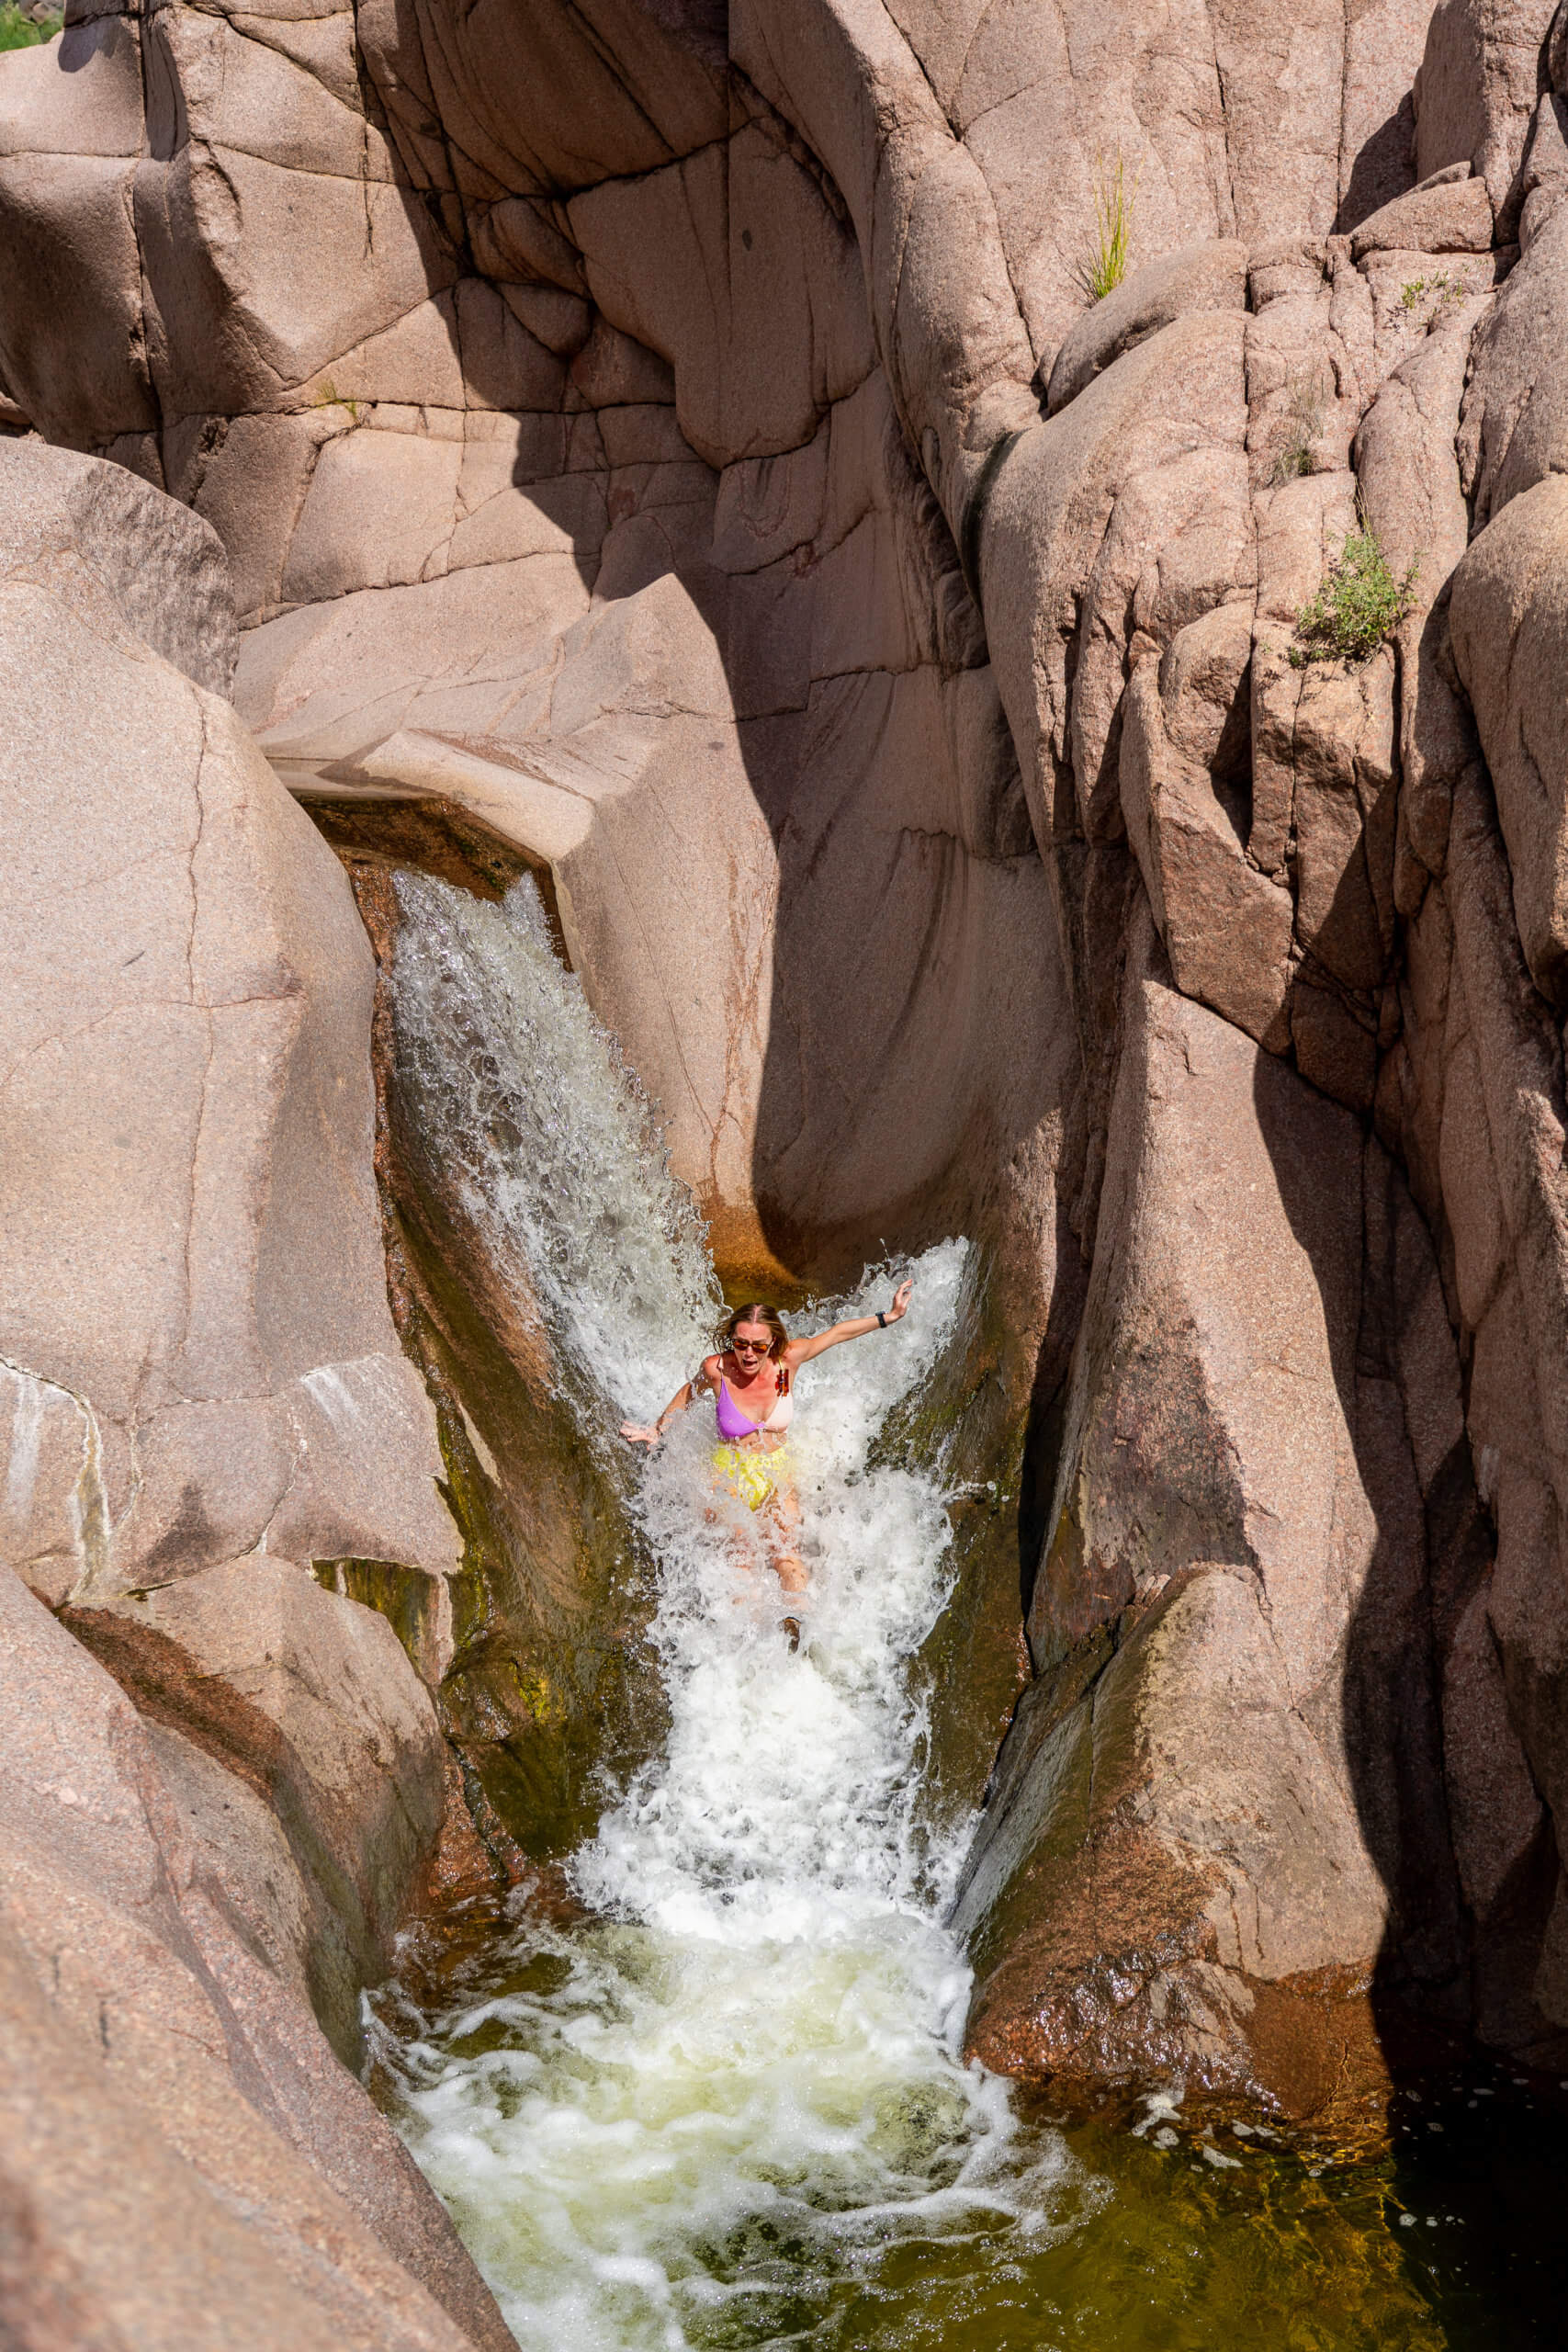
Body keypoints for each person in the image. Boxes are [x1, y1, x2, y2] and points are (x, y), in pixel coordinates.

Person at [620, 1282, 915, 1644]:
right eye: (741, 1343)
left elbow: (836, 1334)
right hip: (728, 1471)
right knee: (742, 1555)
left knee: (785, 1554)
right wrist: (659, 1429)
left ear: (772, 1343)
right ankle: (750, 1640)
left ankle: (795, 1625)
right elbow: (687, 1393)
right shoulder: (717, 1369)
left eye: (757, 1345)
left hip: (776, 1470)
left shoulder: (788, 1360)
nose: (747, 1353)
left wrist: (891, 1316)